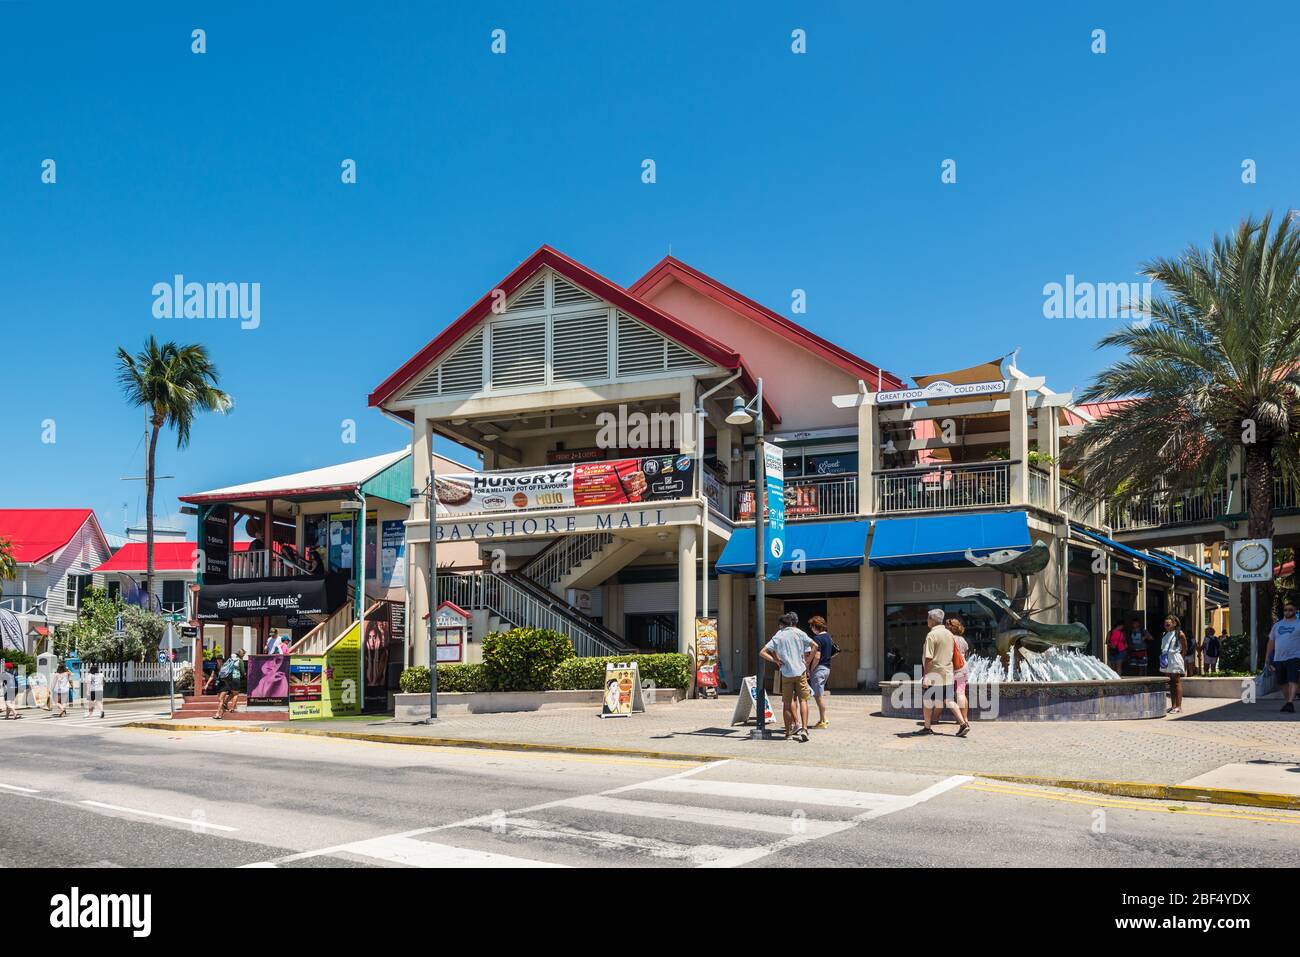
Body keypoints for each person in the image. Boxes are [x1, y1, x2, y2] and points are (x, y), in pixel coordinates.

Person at [759, 612, 817, 742]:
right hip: (800, 671)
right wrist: (807, 662)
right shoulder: (799, 633)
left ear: (782, 624)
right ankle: (805, 729)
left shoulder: (779, 635)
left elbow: (762, 652)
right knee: (803, 700)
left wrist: (776, 661)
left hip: (786, 673)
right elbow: (815, 646)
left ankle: (788, 733)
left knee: (787, 703)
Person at [918, 608, 969, 736]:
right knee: (949, 699)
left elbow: (929, 658)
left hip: (934, 673)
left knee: (928, 700)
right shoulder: (949, 634)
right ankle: (963, 724)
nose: (927, 620)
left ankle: (927, 727)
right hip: (947, 673)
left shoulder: (931, 635)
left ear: (932, 620)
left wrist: (926, 676)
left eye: (928, 618)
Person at [1266, 602, 1300, 714]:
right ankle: (1288, 702)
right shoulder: (1277, 625)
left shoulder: (1298, 624)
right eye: (1286, 610)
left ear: (1295, 611)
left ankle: (1290, 702)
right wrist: (1267, 657)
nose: (1288, 612)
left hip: (1294, 656)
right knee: (1281, 682)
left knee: (1292, 679)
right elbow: (1271, 642)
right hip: (1278, 658)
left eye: (1290, 610)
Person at [806, 616, 834, 729]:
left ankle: (824, 720)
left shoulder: (817, 639)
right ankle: (823, 719)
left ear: (815, 626)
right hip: (827, 668)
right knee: (819, 694)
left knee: (819, 696)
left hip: (819, 669)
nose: (811, 628)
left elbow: (817, 656)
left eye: (811, 626)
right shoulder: (828, 636)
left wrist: (811, 668)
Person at [1159, 615, 1188, 714]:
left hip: (1175, 658)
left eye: (1168, 624)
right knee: (1170, 682)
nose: (1166, 626)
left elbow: (1185, 648)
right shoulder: (1165, 634)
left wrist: (1181, 659)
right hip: (1166, 658)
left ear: (1175, 624)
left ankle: (1179, 706)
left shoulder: (1180, 634)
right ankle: (1173, 705)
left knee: (1176, 681)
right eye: (1165, 624)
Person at [947, 617, 971, 726]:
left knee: (949, 696)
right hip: (962, 668)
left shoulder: (948, 639)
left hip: (952, 669)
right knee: (961, 693)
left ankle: (959, 718)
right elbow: (964, 653)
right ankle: (965, 718)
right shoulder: (963, 640)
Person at [215, 649, 246, 719]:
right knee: (236, 694)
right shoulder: (239, 661)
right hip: (236, 678)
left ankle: (225, 702)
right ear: (241, 654)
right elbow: (243, 671)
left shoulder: (230, 660)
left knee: (232, 693)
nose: (244, 655)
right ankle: (232, 708)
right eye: (243, 654)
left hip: (229, 679)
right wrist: (244, 674)